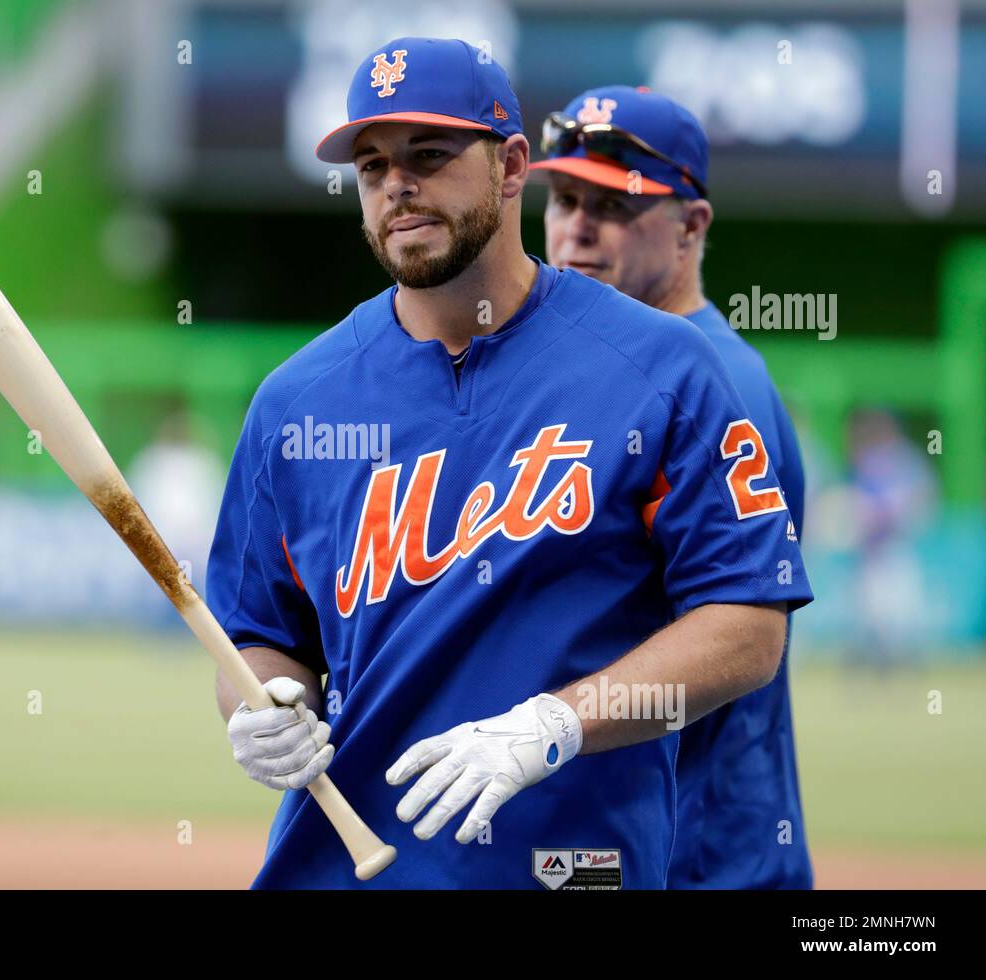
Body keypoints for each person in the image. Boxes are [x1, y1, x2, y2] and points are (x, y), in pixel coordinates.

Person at [207, 39, 811, 889]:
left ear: (512, 165)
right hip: (345, 867)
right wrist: (262, 708)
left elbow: (749, 626)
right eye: (372, 164)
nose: (397, 185)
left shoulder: (663, 368)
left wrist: (554, 724)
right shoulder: (293, 402)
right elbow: (260, 640)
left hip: (572, 870)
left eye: (430, 155)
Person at [532, 85, 813, 888]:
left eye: (616, 205)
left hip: (699, 854)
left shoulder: (715, 383)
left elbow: (734, 637)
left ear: (692, 226)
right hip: (622, 845)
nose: (577, 227)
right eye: (566, 197)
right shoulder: (606, 366)